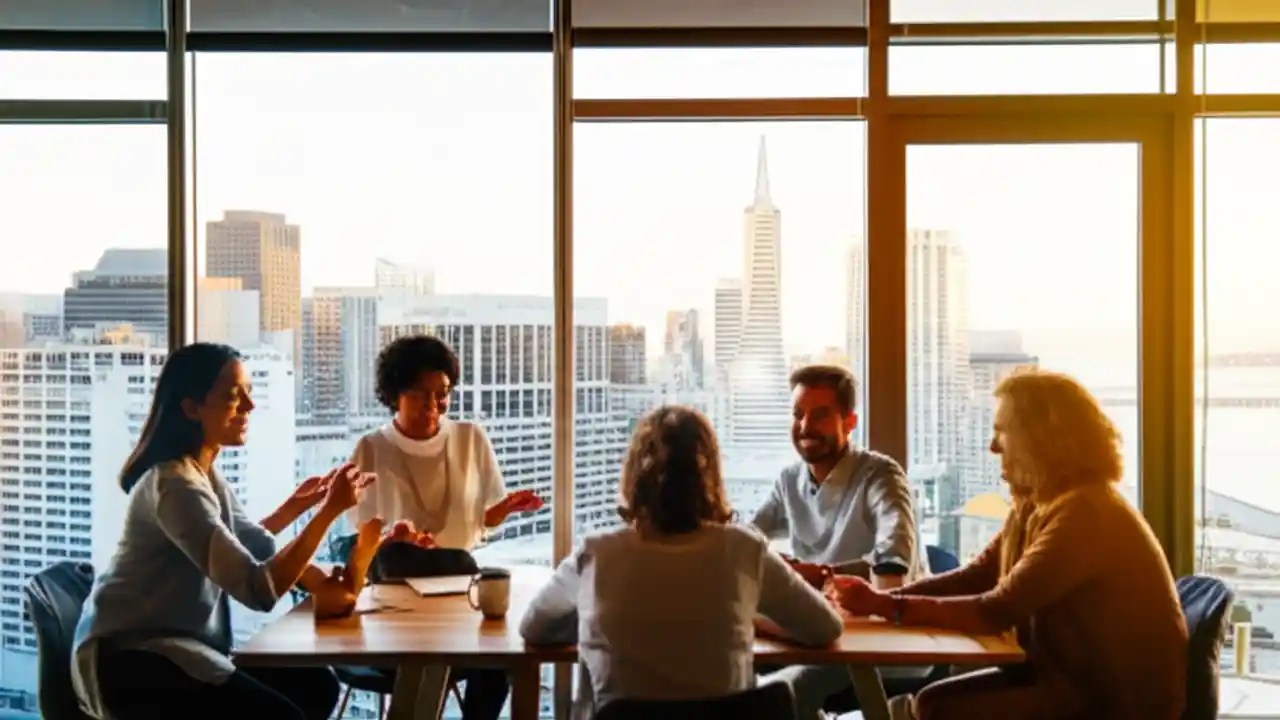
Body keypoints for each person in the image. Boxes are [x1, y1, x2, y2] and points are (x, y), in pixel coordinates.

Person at [829, 369, 1188, 720]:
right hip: (1069, 680)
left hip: (1116, 701)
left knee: (941, 708)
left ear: (1041, 437)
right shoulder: (1037, 503)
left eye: (1002, 431)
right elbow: (978, 576)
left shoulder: (1085, 514)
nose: (993, 445)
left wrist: (884, 606)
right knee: (932, 702)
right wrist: (881, 604)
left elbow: (997, 609)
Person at [72, 343, 375, 720]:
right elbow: (258, 588)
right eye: (234, 396)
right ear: (190, 407)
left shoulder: (202, 472)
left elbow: (251, 544)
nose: (249, 405)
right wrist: (329, 512)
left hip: (175, 648)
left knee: (316, 685)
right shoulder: (175, 485)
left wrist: (298, 507)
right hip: (132, 662)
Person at [520, 406, 843, 720]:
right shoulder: (744, 549)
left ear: (634, 475)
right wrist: (753, 618)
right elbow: (823, 628)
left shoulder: (597, 553)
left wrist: (593, 620)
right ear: (711, 475)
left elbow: (533, 627)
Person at [346, 334, 543, 719]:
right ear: (395, 394)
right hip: (396, 602)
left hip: (459, 594)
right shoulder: (372, 448)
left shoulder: (471, 438)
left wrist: (505, 508)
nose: (434, 405)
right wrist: (394, 540)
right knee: (425, 670)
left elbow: (483, 520)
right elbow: (364, 537)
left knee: (502, 659)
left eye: (444, 393)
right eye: (422, 394)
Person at [751, 364, 922, 718]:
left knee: (785, 691)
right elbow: (749, 537)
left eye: (820, 414)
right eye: (798, 414)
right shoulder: (789, 480)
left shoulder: (881, 474)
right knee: (741, 677)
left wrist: (823, 574)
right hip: (818, 634)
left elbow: (893, 552)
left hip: (883, 641)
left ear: (850, 422)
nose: (805, 426)